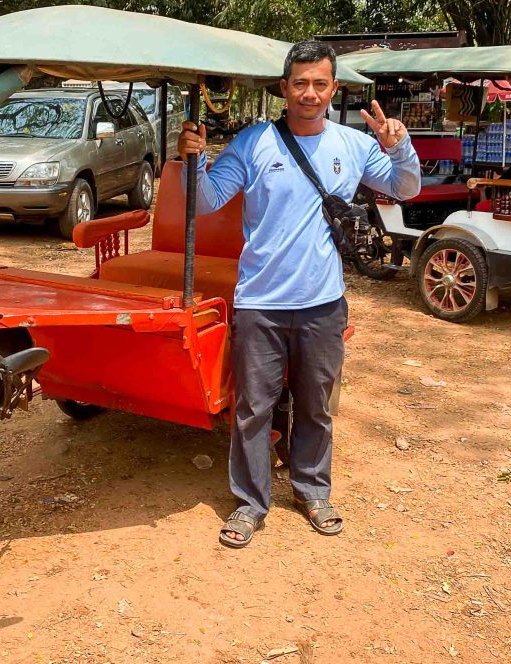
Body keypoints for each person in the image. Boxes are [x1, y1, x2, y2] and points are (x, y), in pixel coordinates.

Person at [176, 40, 421, 549]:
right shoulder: (253, 142)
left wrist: (400, 146)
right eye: (300, 83)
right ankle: (249, 503)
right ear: (284, 88)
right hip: (261, 303)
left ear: (334, 89)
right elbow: (207, 202)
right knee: (253, 409)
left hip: (323, 303)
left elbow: (407, 188)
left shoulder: (353, 145)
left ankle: (313, 491)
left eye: (320, 83)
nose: (310, 93)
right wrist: (193, 162)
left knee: (315, 406)